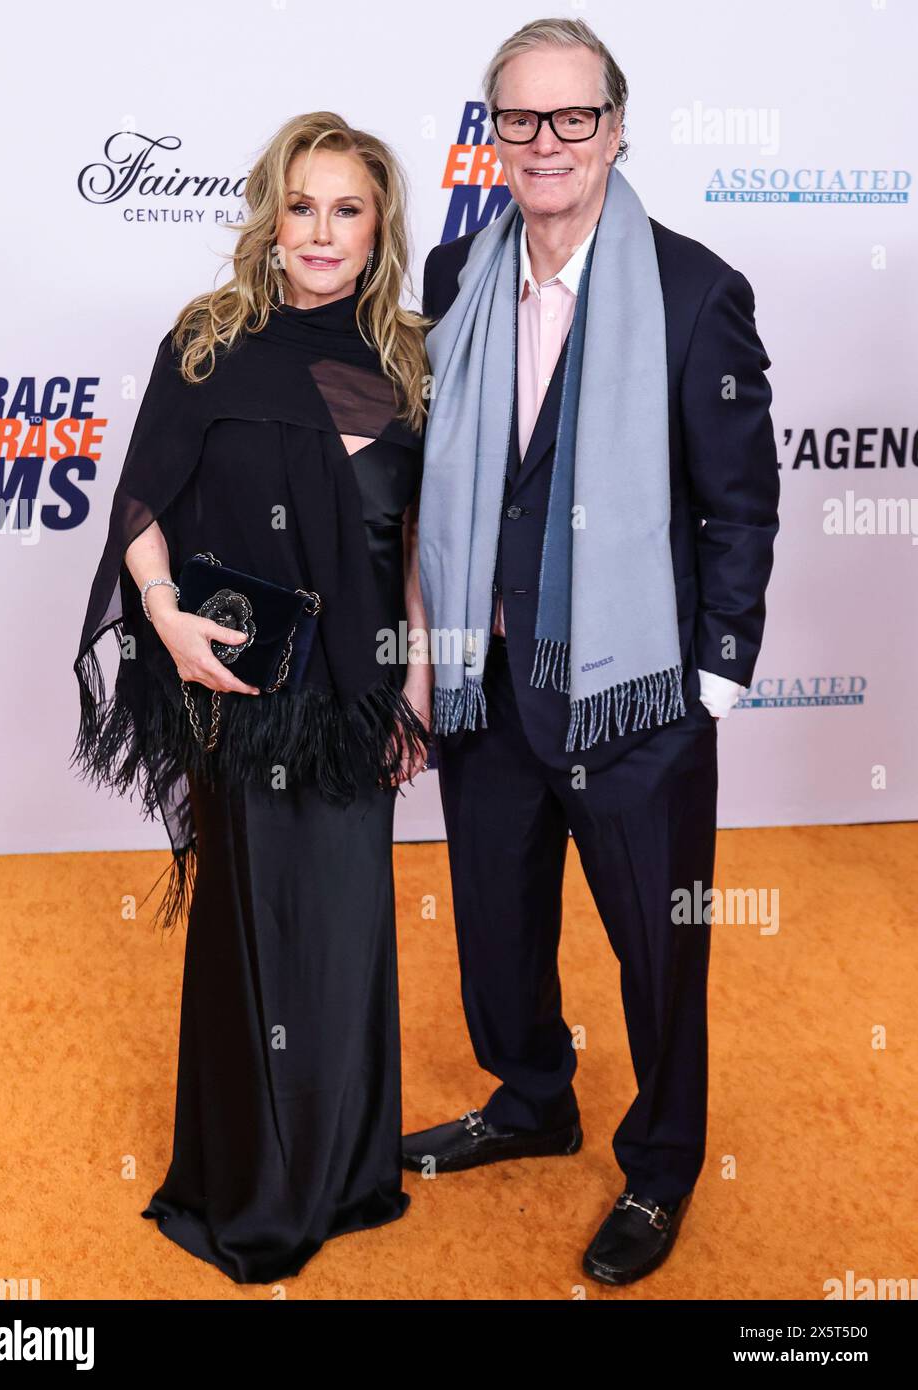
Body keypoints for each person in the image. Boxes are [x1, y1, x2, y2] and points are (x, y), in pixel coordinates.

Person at [410, 18, 779, 1286]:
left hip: (641, 693)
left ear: (617, 128)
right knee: (496, 926)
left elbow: (740, 497)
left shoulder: (691, 288)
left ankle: (664, 1164)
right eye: (521, 118)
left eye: (574, 117)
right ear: (493, 134)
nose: (548, 142)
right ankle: (530, 1100)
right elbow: (440, 481)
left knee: (658, 945)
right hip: (490, 682)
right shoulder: (455, 278)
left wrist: (716, 671)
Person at [70, 112, 433, 1284]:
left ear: (379, 230)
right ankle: (254, 1190)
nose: (322, 232)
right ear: (271, 216)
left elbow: (411, 541)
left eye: (349, 209)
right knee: (250, 933)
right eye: (303, 204)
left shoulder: (405, 362)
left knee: (344, 938)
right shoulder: (209, 342)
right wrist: (166, 612)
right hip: (238, 685)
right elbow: (138, 501)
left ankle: (345, 1172)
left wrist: (415, 687)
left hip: (356, 693)